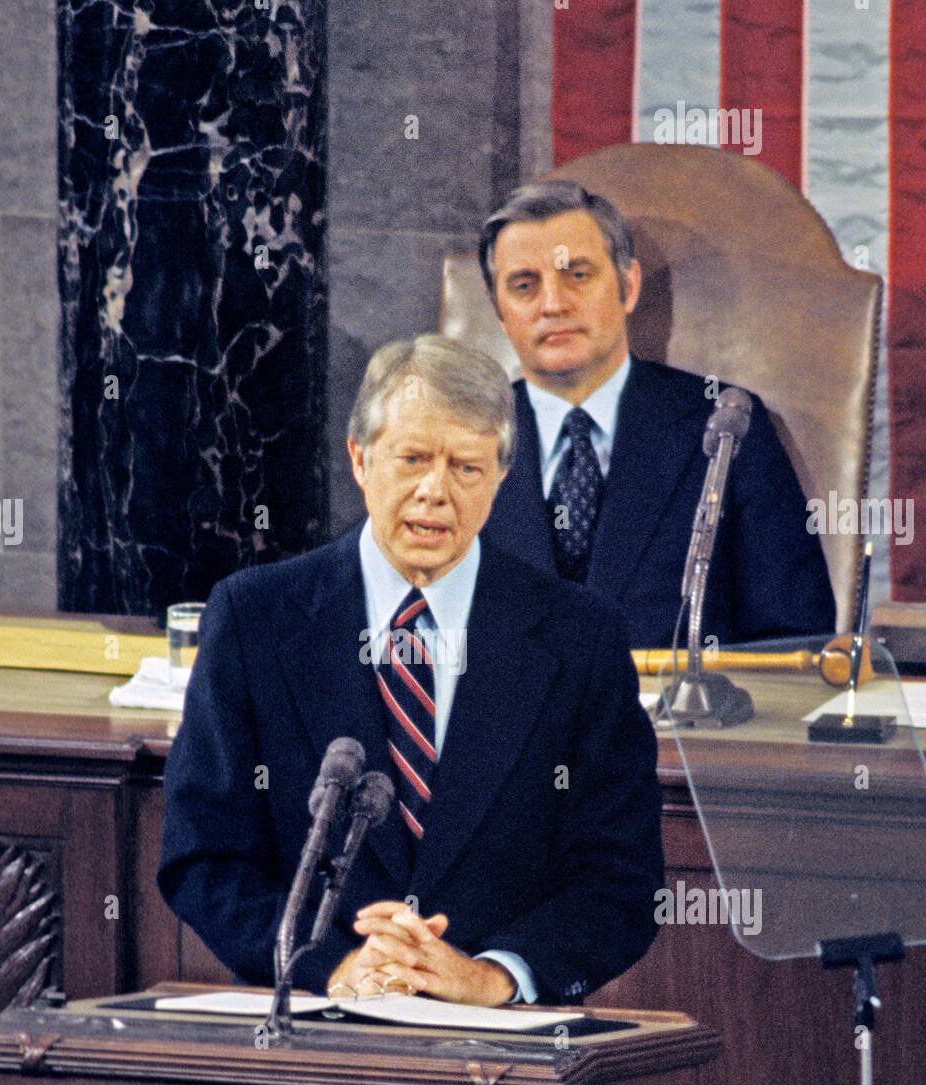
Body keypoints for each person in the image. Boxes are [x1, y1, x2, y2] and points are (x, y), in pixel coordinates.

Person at [158, 335, 664, 1007]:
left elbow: (621, 881)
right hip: (310, 1021)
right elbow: (203, 856)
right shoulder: (255, 617)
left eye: (466, 468)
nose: (436, 492)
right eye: (414, 459)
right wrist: (334, 967)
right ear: (361, 460)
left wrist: (493, 976)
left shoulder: (581, 637)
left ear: (501, 479)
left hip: (503, 1044)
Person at [478, 180, 836, 648]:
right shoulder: (460, 437)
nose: (553, 304)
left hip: (682, 720)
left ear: (628, 287)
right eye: (525, 286)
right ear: (500, 312)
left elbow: (795, 643)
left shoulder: (728, 427)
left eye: (578, 276)